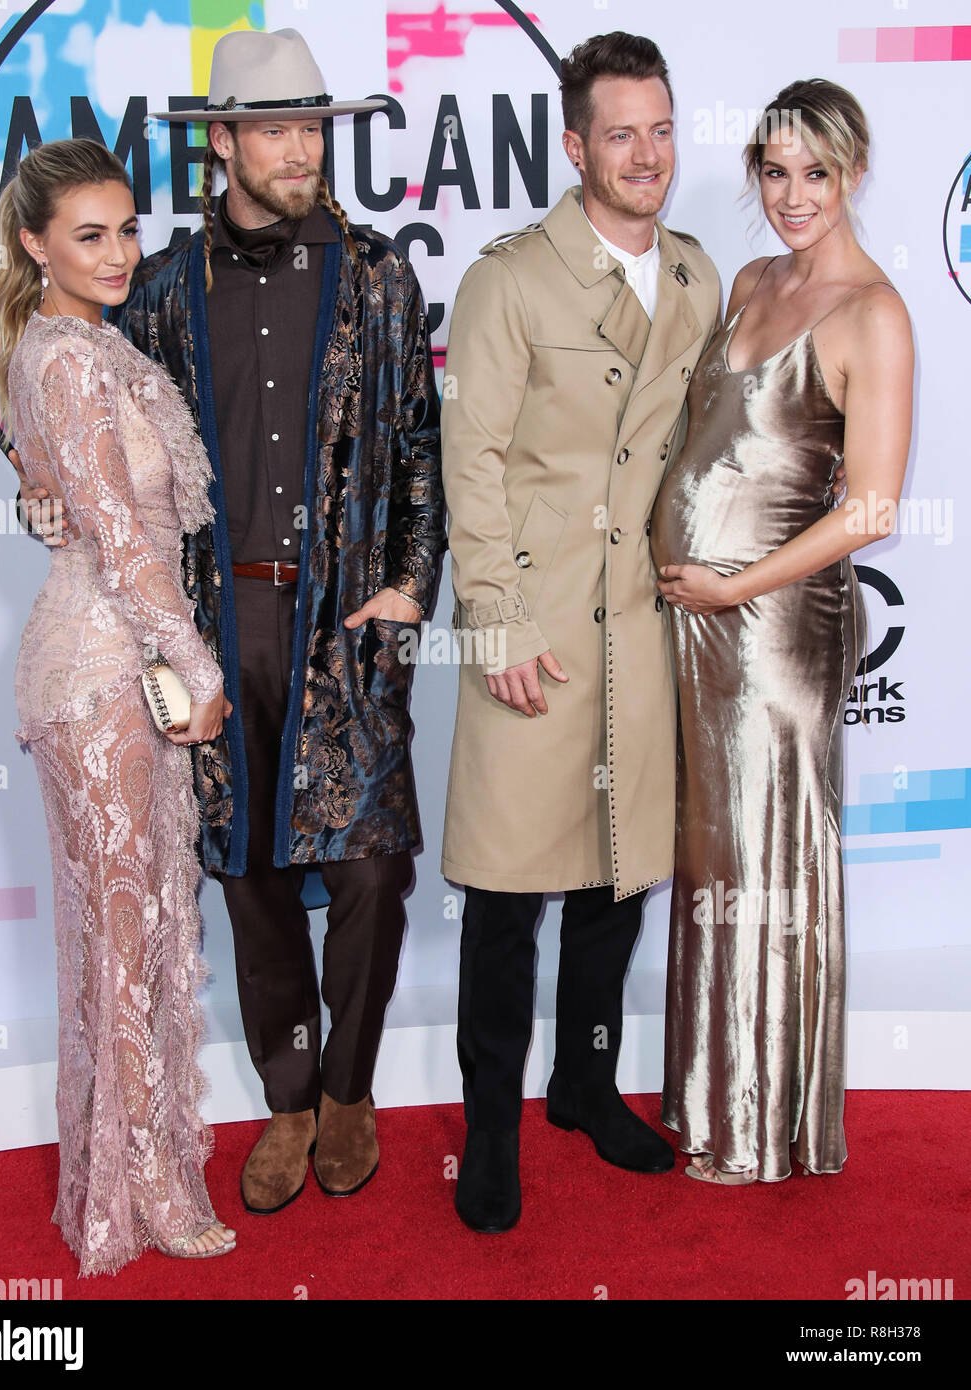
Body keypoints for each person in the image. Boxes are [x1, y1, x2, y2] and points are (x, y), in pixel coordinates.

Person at [17, 28, 443, 1215]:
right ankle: (291, 1096)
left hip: (341, 610)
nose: (299, 148)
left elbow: (417, 446)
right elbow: (91, 433)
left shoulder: (377, 277)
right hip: (208, 619)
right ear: (224, 142)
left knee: (368, 867)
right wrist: (36, 489)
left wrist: (410, 584)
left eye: (313, 127)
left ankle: (352, 1089)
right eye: (275, 129)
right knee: (247, 866)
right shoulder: (157, 288)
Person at [439, 33, 721, 1232]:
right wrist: (494, 624)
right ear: (573, 145)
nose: (645, 154)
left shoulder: (701, 278)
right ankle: (490, 1131)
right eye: (620, 133)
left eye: (660, 130)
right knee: (506, 898)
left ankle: (586, 1086)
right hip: (535, 631)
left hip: (645, 636)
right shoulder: (508, 279)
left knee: (617, 879)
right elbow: (474, 461)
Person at [650, 79, 913, 1184]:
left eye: (815, 172)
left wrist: (735, 586)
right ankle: (711, 1087)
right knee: (712, 850)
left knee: (761, 853)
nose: (793, 194)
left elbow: (870, 510)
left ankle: (759, 1118)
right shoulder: (752, 280)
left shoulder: (873, 312)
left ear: (852, 172)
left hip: (774, 631)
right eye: (774, 171)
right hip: (699, 623)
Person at [0, 138, 236, 1272]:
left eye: (129, 228)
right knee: (127, 940)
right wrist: (201, 665)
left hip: (103, 666)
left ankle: (128, 1176)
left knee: (122, 934)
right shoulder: (73, 361)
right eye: (91, 234)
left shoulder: (73, 344)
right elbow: (128, 544)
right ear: (33, 243)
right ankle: (142, 1191)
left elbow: (81, 511)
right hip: (104, 673)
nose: (122, 251)